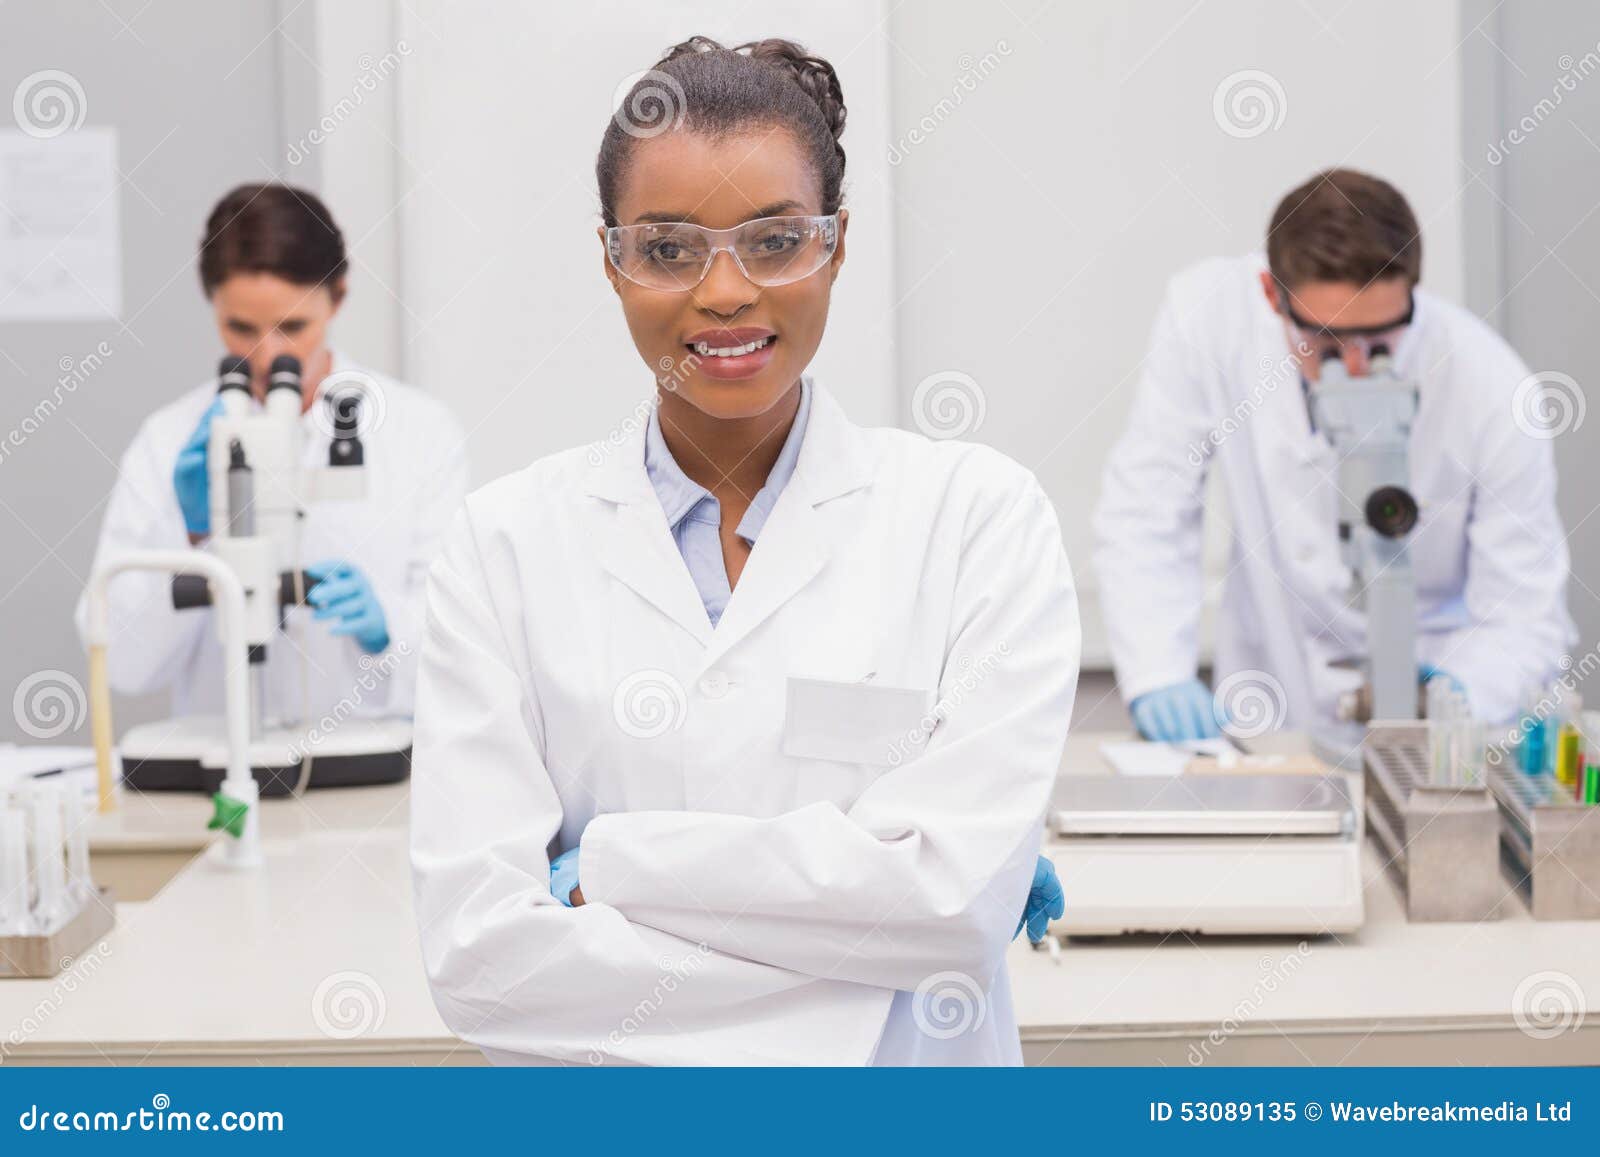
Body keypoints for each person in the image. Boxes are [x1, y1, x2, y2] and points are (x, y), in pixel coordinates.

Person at [409, 37, 1078, 1066]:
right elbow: (481, 961)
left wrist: (615, 866)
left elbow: (948, 909)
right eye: (669, 249)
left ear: (836, 246)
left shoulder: (978, 520)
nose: (724, 290)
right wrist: (866, 939)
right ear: (612, 261)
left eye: (774, 241)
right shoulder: (502, 547)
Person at [1094, 168, 1574, 742]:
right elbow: (1148, 510)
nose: (1354, 365)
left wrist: (1456, 691)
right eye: (1324, 341)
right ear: (1272, 295)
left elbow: (1526, 612)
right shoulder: (1211, 319)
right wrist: (1156, 673)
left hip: (1436, 711)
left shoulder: (1491, 387)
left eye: (1380, 341)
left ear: (1412, 292)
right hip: (1273, 696)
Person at [76, 183, 468, 724]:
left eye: (294, 327)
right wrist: (189, 534)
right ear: (211, 304)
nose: (266, 358)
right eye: (240, 329)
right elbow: (123, 664)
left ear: (338, 298)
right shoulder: (168, 439)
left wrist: (389, 629)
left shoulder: (418, 432)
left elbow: (459, 653)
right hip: (223, 759)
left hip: (367, 756)